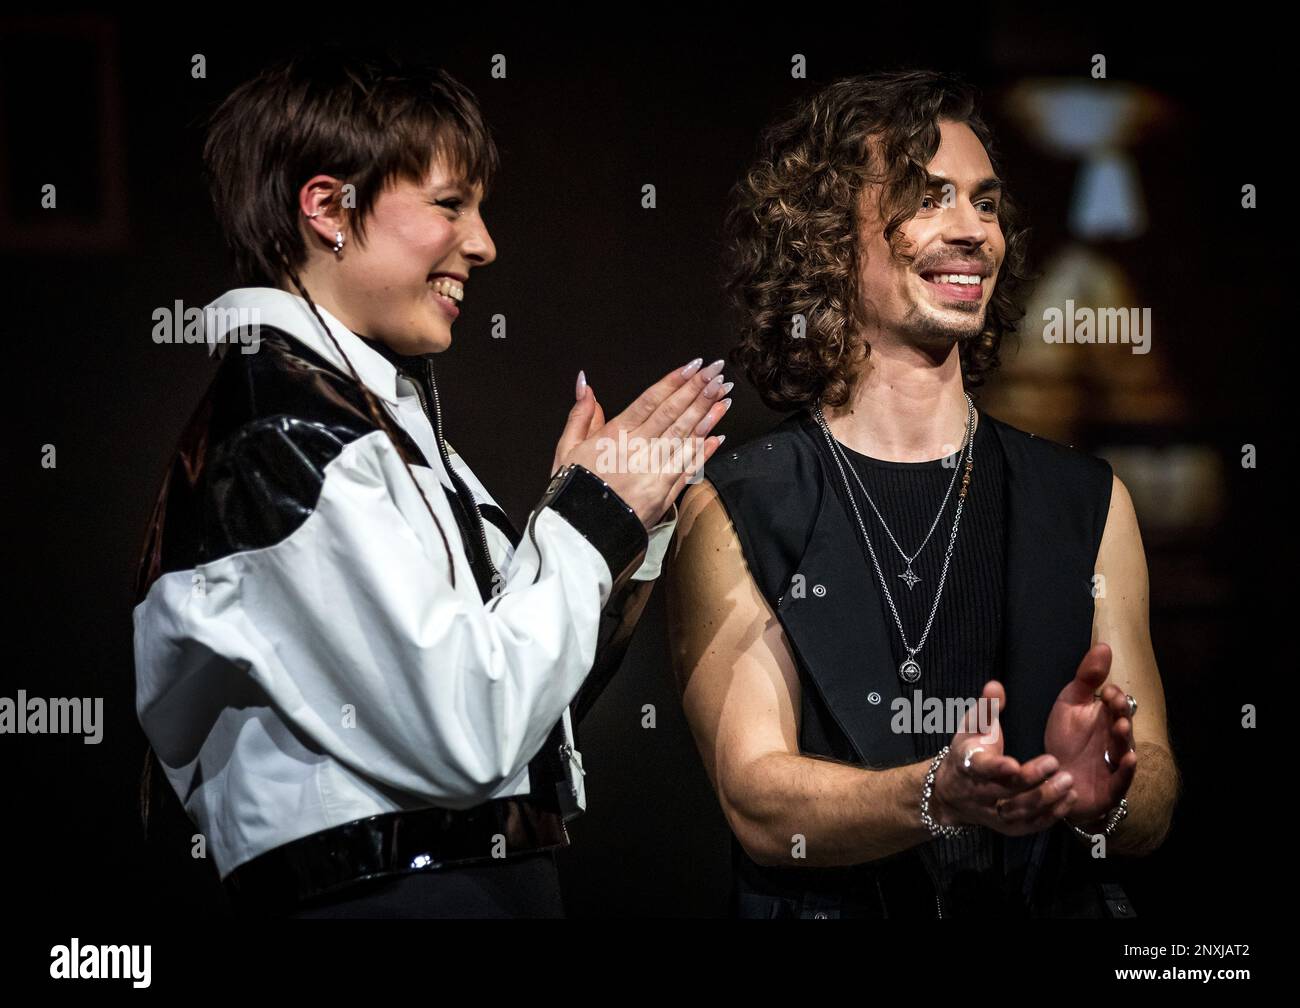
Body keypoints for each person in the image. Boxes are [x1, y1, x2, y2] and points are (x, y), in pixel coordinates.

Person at [131, 48, 729, 918]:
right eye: (450, 205)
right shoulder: (286, 428)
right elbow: (470, 731)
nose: (484, 243)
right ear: (329, 208)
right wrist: (590, 519)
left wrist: (614, 521)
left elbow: (525, 710)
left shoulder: (358, 413)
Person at [665, 70, 1179, 918]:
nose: (972, 230)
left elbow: (1153, 787)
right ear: (828, 239)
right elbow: (757, 796)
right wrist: (935, 795)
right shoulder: (743, 504)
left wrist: (1107, 795)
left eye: (985, 202)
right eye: (930, 197)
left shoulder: (1084, 501)